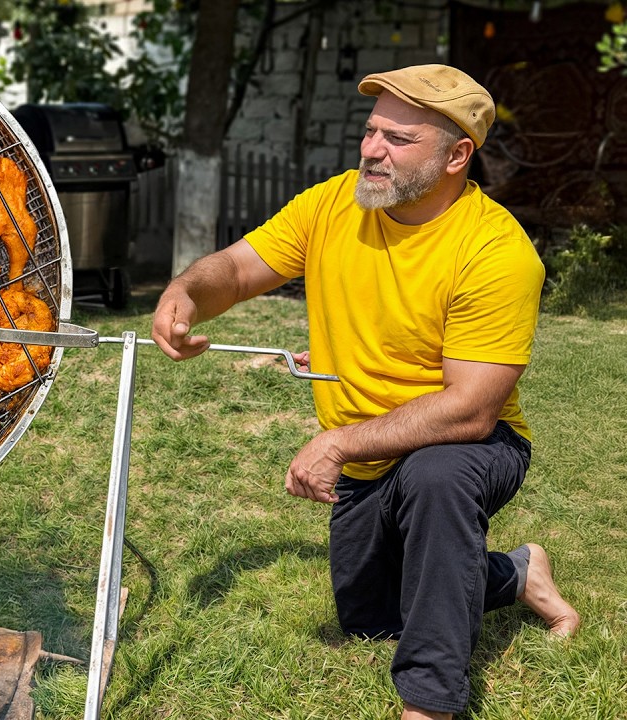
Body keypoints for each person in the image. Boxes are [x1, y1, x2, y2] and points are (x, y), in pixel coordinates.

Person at [151, 64, 580, 720]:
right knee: (370, 618)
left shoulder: (496, 252)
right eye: (372, 130)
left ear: (456, 156)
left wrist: (339, 442)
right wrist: (185, 293)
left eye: (398, 139)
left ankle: (430, 701)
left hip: (470, 441)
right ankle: (515, 573)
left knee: (437, 478)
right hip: (370, 452)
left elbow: (471, 408)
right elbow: (236, 269)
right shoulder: (333, 205)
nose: (372, 149)